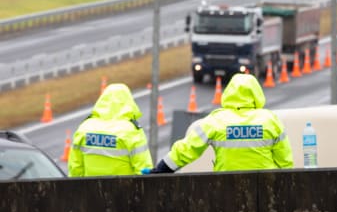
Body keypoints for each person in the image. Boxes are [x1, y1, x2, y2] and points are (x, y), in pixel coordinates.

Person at [150, 73, 293, 173]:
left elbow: (186, 149)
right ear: (257, 94)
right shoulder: (270, 120)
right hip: (265, 191)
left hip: (226, 191)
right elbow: (285, 162)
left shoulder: (216, 120)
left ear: (228, 92)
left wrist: (160, 169)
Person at [68, 83, 153, 176]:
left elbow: (75, 168)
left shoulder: (84, 128)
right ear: (129, 102)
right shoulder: (131, 131)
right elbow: (143, 169)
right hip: (124, 185)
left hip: (91, 185)